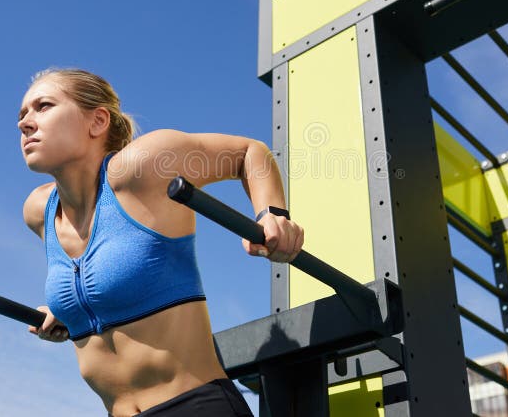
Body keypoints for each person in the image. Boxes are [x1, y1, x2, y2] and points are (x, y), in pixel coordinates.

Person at [17, 68, 304, 416]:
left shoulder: (144, 167)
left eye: (43, 106)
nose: (25, 123)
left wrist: (272, 214)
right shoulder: (39, 211)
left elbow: (248, 152)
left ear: (98, 121)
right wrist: (65, 311)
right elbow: (100, 287)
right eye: (22, 113)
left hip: (194, 406)